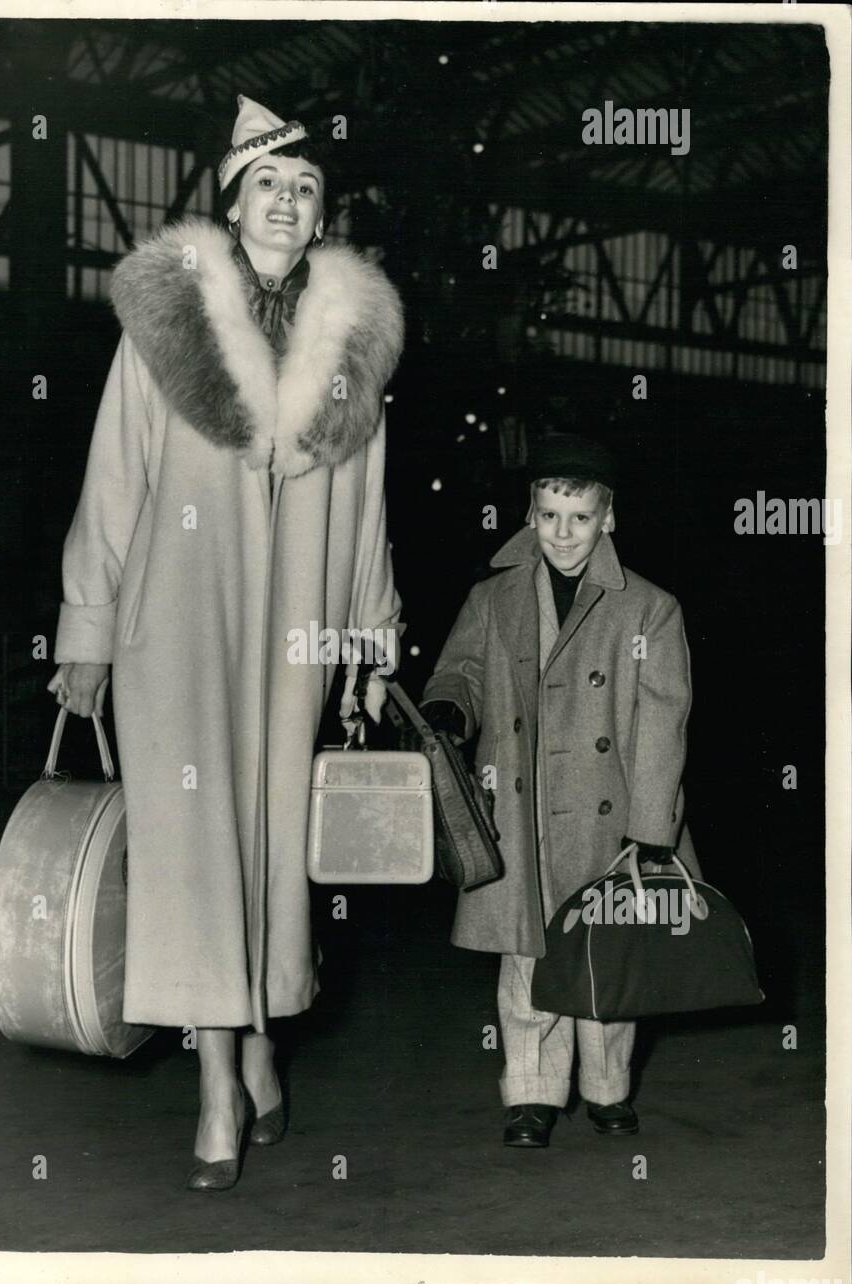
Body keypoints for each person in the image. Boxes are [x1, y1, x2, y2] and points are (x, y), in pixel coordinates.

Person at [47, 95, 403, 1189]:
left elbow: (369, 506)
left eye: (306, 190)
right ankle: (213, 1087)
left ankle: (257, 1040)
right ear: (232, 201)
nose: (288, 203)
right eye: (269, 186)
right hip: (178, 626)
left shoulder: (352, 349)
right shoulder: (167, 327)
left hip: (294, 636)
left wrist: (368, 635)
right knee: (195, 849)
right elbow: (114, 481)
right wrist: (88, 631)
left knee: (271, 843)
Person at [421, 434, 699, 1148]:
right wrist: (451, 705)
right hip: (520, 806)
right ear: (530, 514)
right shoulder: (495, 597)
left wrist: (650, 829)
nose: (563, 534)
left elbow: (664, 725)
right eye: (549, 516)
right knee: (527, 954)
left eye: (580, 518)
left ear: (609, 517)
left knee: (608, 952)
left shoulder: (649, 610)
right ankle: (532, 1094)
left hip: (610, 815)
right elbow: (462, 670)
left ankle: (607, 1087)